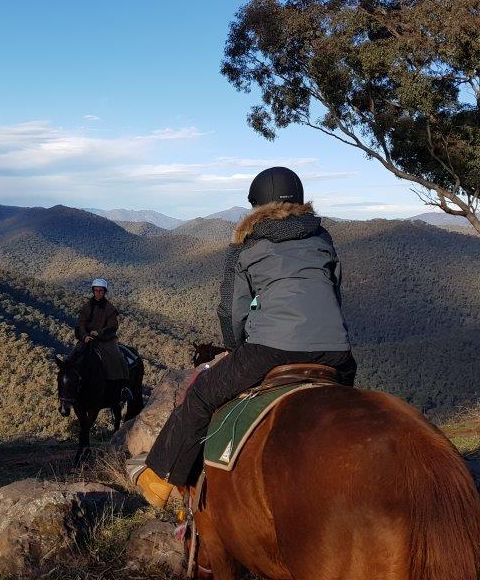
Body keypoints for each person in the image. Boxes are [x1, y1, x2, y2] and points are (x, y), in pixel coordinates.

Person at [130, 166, 356, 509]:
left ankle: (159, 480)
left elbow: (230, 311)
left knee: (201, 396)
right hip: (336, 351)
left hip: (271, 349)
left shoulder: (247, 244)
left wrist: (237, 350)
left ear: (256, 205)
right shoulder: (322, 237)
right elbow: (334, 292)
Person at [74, 279, 130, 386]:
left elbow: (113, 326)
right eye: (96, 290)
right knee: (74, 356)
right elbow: (80, 324)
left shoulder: (110, 308)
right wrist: (85, 336)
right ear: (93, 291)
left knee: (116, 357)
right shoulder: (86, 307)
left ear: (104, 292)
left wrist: (99, 332)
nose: (98, 293)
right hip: (87, 338)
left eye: (101, 291)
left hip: (106, 339)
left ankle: (122, 387)